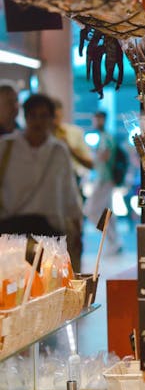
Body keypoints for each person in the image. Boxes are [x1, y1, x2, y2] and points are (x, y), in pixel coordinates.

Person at [0, 94, 83, 266]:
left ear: (52, 119)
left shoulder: (59, 151)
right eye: (33, 115)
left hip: (50, 233)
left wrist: (77, 230)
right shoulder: (6, 147)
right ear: (25, 117)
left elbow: (70, 192)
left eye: (44, 116)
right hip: (12, 233)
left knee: (48, 286)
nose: (38, 121)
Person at [83, 111, 120, 253]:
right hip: (104, 179)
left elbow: (104, 157)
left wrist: (92, 157)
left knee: (91, 210)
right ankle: (114, 242)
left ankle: (111, 239)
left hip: (104, 179)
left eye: (97, 120)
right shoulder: (106, 137)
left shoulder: (106, 137)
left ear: (102, 120)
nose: (95, 123)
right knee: (108, 212)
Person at [53, 99, 93, 193]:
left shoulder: (74, 132)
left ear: (62, 114)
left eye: (56, 117)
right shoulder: (41, 136)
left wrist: (69, 149)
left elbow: (90, 164)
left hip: (71, 183)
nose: (54, 121)